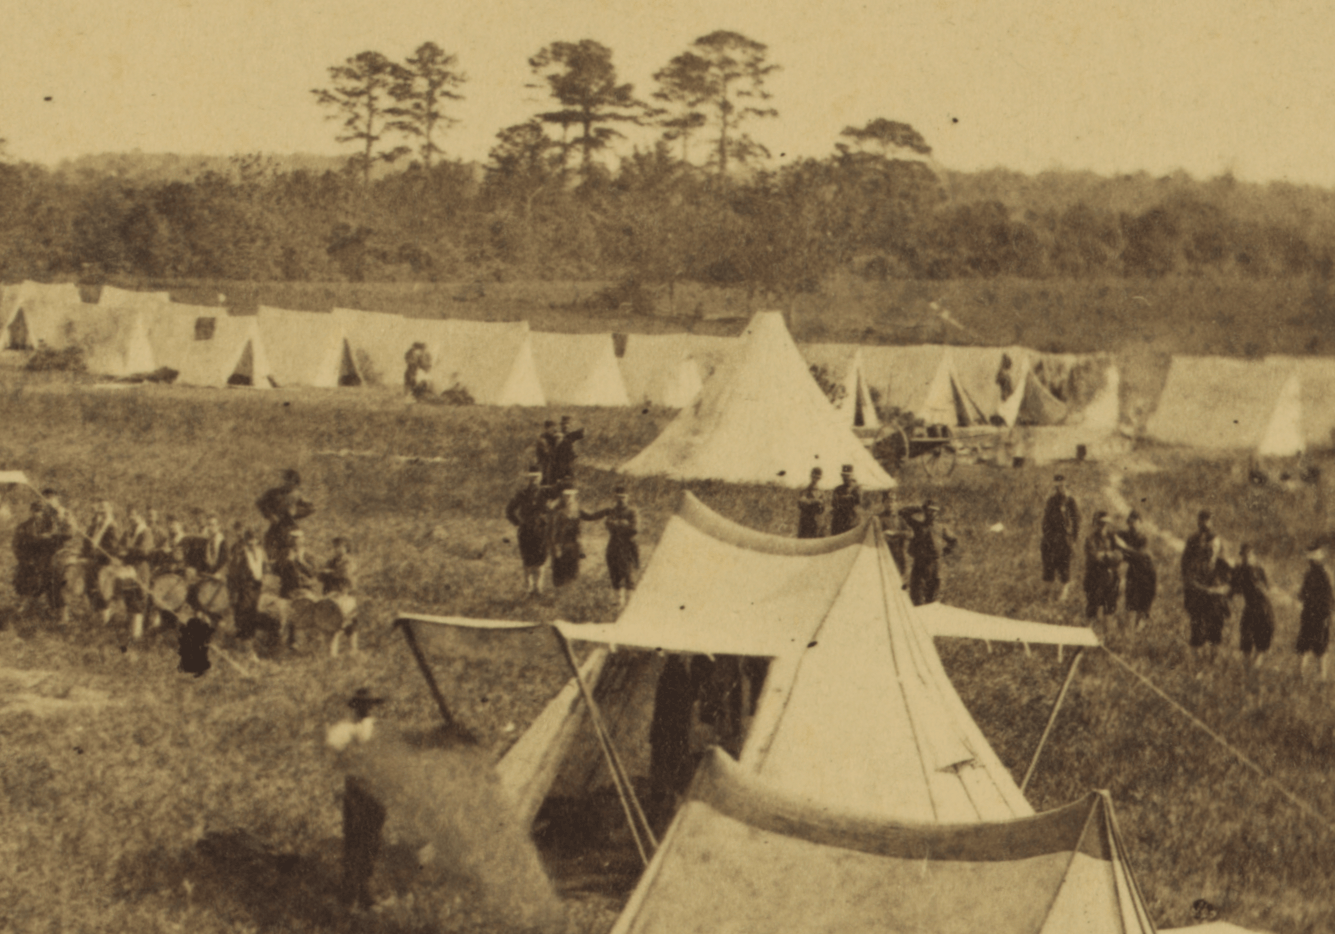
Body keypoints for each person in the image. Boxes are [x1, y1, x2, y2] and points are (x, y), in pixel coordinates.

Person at [341, 688, 387, 911]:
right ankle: (356, 899)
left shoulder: (367, 726)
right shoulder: (357, 729)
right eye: (364, 705)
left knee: (365, 843)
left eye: (370, 704)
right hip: (362, 791)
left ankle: (360, 896)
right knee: (362, 843)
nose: (368, 709)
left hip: (368, 790)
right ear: (358, 707)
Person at [647, 654, 694, 825]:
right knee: (670, 770)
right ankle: (664, 808)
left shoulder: (668, 677)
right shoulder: (681, 678)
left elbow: (661, 710)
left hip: (665, 735)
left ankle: (660, 809)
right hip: (673, 735)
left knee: (662, 770)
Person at [1181, 509, 1231, 666]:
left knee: (1215, 628)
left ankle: (1211, 662)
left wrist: (1222, 587)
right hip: (1197, 590)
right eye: (1201, 520)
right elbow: (1185, 565)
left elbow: (1226, 569)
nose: (1204, 523)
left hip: (1214, 592)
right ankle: (1198, 664)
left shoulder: (1218, 542)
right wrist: (1190, 584)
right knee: (1197, 627)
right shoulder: (1193, 541)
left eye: (1207, 520)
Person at [505, 467, 555, 596]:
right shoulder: (521, 494)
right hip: (526, 530)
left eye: (536, 477)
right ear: (527, 478)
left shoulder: (547, 493)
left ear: (541, 477)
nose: (534, 480)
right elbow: (509, 511)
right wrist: (518, 523)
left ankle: (538, 589)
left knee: (541, 560)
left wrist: (548, 519)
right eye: (531, 477)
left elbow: (557, 505)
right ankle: (528, 589)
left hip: (542, 531)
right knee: (527, 561)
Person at [587, 486, 640, 608]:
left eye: (623, 497)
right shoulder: (611, 511)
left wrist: (616, 524)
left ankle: (630, 604)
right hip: (613, 545)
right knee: (614, 572)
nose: (621, 499)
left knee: (628, 573)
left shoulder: (632, 511)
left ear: (628, 497)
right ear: (615, 497)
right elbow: (600, 520)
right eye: (618, 497)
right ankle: (618, 602)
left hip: (627, 545)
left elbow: (634, 528)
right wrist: (622, 524)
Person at [900, 500, 957, 606]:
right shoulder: (917, 525)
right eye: (930, 510)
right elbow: (903, 512)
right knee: (917, 599)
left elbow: (953, 540)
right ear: (925, 511)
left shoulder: (940, 527)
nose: (932, 513)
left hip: (935, 566)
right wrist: (918, 508)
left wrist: (944, 552)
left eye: (935, 511)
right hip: (920, 565)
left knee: (932, 600)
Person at [1230, 544, 1274, 675]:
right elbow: (1233, 588)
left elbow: (1269, 589)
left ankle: (1252, 672)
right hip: (1250, 608)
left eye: (1249, 555)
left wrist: (1263, 589)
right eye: (1244, 555)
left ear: (1254, 556)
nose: (1246, 558)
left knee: (1261, 644)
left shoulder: (1259, 570)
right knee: (1246, 643)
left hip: (1263, 608)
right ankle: (1248, 672)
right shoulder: (1240, 570)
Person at [257, 468, 315, 557]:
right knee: (269, 548)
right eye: (286, 481)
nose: (289, 485)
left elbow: (311, 508)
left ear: (296, 484)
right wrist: (269, 515)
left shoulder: (297, 495)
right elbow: (260, 503)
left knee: (295, 550)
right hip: (276, 526)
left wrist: (296, 512)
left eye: (293, 484)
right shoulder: (274, 493)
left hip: (290, 526)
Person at [227, 527, 267, 655]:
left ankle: (252, 644)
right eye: (250, 541)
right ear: (246, 541)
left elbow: (265, 568)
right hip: (246, 587)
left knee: (256, 614)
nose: (253, 543)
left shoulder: (261, 552)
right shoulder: (242, 553)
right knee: (245, 614)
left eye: (255, 540)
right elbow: (234, 572)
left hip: (259, 588)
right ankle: (246, 648)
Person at [1297, 543, 1333, 683]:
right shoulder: (1313, 573)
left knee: (1318, 646)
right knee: (1307, 644)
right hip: (1312, 613)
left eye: (1312, 559)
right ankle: (1302, 675)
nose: (1310, 561)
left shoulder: (1324, 573)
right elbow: (1302, 593)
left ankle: (1320, 677)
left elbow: (1330, 596)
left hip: (1320, 614)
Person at [1041, 474, 1080, 601]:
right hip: (1051, 538)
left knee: (1064, 566)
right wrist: (1047, 536)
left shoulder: (1070, 501)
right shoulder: (1051, 500)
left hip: (1064, 539)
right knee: (1049, 565)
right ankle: (1047, 592)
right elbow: (1046, 520)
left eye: (1062, 486)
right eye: (1057, 486)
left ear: (1066, 486)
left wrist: (1073, 539)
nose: (1060, 489)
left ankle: (1064, 593)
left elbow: (1076, 521)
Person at [83, 501, 122, 626]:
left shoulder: (112, 526)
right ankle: (97, 617)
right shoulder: (98, 524)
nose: (102, 510)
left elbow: (113, 548)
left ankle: (106, 621)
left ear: (110, 509)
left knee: (104, 592)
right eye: (100, 508)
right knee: (90, 589)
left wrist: (98, 554)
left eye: (105, 508)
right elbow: (88, 543)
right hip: (93, 562)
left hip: (105, 563)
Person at [547, 488, 595, 588]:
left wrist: (607, 512)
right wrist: (555, 547)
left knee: (573, 570)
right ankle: (560, 594)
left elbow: (590, 517)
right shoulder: (557, 511)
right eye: (566, 496)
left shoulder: (577, 510)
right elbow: (553, 531)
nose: (568, 498)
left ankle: (570, 593)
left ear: (574, 497)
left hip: (574, 545)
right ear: (563, 497)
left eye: (571, 496)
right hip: (561, 544)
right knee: (559, 570)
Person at [1083, 511, 1123, 626]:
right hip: (1095, 578)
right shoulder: (1091, 539)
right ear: (1096, 524)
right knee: (1093, 609)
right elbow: (1094, 556)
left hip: (1111, 579)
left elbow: (1120, 556)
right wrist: (1109, 555)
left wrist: (1105, 555)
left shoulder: (1113, 538)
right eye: (1100, 523)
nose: (1103, 526)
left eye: (1105, 524)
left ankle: (1106, 638)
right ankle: (1088, 637)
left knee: (1109, 609)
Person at [322, 537, 360, 658]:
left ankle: (353, 649)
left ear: (346, 548)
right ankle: (332, 653)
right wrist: (324, 573)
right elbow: (321, 575)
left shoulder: (349, 561)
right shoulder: (331, 561)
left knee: (350, 621)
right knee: (332, 622)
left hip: (345, 593)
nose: (337, 549)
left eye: (340, 547)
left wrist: (330, 573)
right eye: (335, 547)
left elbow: (346, 574)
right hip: (331, 593)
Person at [122, 506, 156, 640]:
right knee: (128, 597)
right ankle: (131, 633)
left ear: (140, 517)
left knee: (138, 599)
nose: (131, 518)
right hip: (128, 569)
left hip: (140, 569)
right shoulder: (128, 532)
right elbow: (120, 545)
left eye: (134, 515)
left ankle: (136, 635)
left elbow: (145, 551)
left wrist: (129, 550)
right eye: (129, 515)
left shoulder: (146, 532)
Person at [1119, 510, 1156, 630]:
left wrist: (1124, 547)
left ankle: (1139, 629)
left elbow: (1140, 555)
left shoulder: (1143, 538)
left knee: (1143, 604)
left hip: (1147, 572)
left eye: (1135, 523)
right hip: (1134, 571)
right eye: (1130, 523)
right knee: (1130, 602)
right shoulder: (1125, 535)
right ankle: (1130, 631)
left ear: (1140, 523)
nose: (1133, 526)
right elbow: (1114, 536)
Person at [12, 502, 47, 612]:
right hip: (27, 559)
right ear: (31, 511)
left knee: (46, 580)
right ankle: (21, 604)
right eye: (35, 511)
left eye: (40, 511)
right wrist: (22, 558)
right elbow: (15, 544)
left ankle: (41, 604)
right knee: (23, 581)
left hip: (43, 559)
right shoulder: (23, 526)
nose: (37, 513)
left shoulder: (48, 526)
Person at [877, 490, 910, 578]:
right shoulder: (878, 519)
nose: (890, 504)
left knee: (899, 580)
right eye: (887, 502)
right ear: (883, 503)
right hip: (884, 554)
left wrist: (895, 533)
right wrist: (882, 535)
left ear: (896, 503)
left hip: (899, 555)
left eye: (892, 501)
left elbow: (910, 534)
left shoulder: (900, 519)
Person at [548, 416, 585, 488]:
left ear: (570, 425)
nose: (566, 426)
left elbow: (581, 435)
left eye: (567, 424)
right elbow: (554, 450)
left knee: (569, 482)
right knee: (556, 483)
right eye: (564, 424)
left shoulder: (571, 436)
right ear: (561, 425)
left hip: (569, 463)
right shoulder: (557, 435)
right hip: (558, 463)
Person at [829, 465, 862, 535]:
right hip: (839, 521)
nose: (845, 478)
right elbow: (834, 502)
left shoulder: (856, 488)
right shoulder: (838, 489)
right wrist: (847, 498)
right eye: (844, 476)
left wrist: (843, 498)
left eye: (848, 476)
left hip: (851, 520)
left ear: (852, 476)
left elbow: (858, 501)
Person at [796, 468, 826, 539]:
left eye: (818, 478)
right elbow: (801, 502)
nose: (816, 479)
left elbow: (822, 508)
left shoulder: (821, 492)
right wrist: (816, 501)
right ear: (811, 476)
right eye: (814, 477)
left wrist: (811, 502)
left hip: (817, 524)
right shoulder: (805, 490)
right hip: (806, 524)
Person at [534, 421, 560, 485]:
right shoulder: (543, 439)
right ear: (546, 429)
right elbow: (548, 454)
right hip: (546, 467)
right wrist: (557, 442)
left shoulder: (553, 438)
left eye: (555, 428)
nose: (554, 430)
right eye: (552, 428)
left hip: (553, 467)